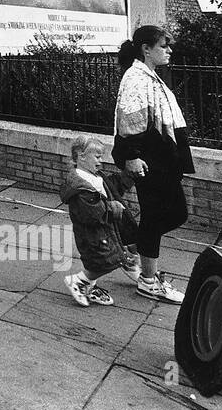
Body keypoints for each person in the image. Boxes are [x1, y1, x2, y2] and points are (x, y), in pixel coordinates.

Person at [112, 25, 195, 304]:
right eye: (163, 45)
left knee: (175, 214)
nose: (169, 50)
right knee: (156, 214)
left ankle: (132, 250)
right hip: (149, 161)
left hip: (161, 160)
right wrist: (131, 156)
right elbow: (129, 120)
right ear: (146, 49)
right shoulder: (135, 78)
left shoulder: (150, 76)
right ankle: (149, 281)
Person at [61, 136, 142, 307]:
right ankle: (78, 281)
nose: (100, 161)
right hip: (92, 235)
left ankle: (90, 286)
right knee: (102, 263)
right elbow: (90, 213)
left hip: (104, 231)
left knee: (107, 259)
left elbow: (114, 186)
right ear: (81, 156)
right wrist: (111, 208)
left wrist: (129, 176)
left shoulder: (95, 176)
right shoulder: (80, 186)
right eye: (97, 156)